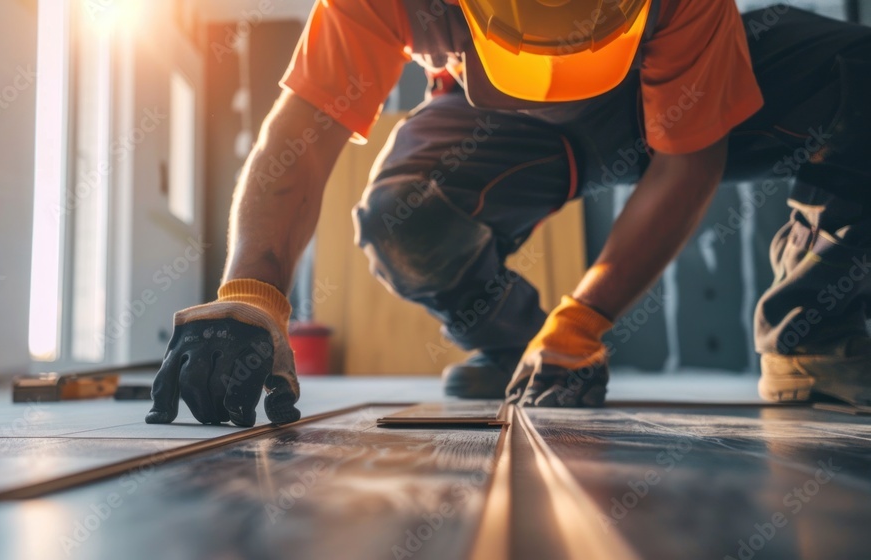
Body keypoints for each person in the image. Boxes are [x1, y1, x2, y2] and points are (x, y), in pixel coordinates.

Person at [146, 0, 871, 426]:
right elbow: (299, 141)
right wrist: (252, 291)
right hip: (502, 122)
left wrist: (584, 318)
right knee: (404, 221)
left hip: (674, 88)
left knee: (859, 78)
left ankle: (813, 337)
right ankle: (517, 346)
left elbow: (690, 160)